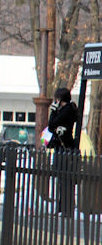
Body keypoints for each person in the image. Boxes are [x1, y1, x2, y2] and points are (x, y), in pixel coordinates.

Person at [47, 87, 79, 217]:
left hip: (64, 148)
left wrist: (53, 112)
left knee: (65, 180)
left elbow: (51, 125)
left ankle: (66, 208)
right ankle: (63, 207)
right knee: (62, 180)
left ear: (60, 99)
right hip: (62, 146)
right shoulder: (67, 110)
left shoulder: (67, 110)